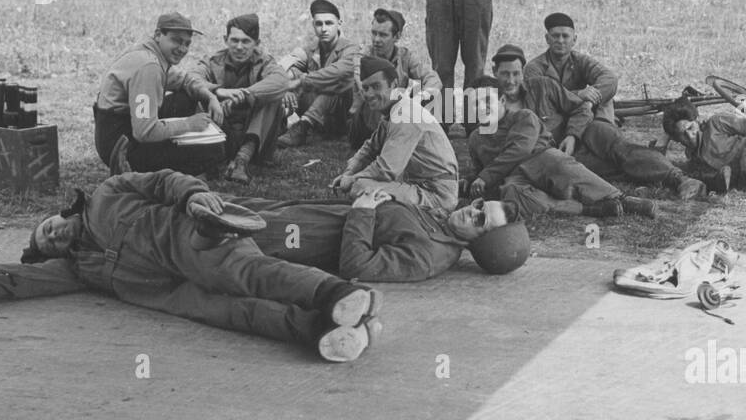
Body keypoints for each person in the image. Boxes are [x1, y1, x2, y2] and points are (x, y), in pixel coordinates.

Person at [0, 170, 385, 362]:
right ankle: (326, 331)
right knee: (238, 313)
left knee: (248, 273)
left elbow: (163, 180)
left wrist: (192, 197)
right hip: (168, 292)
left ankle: (334, 294)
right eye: (46, 243)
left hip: (186, 239)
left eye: (48, 226)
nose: (51, 235)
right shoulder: (78, 267)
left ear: (62, 213)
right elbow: (28, 278)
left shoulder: (108, 193)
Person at [524, 12, 706, 199]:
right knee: (598, 166)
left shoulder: (580, 61)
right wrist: (580, 95)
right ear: (547, 38)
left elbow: (609, 79)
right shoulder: (534, 70)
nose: (560, 41)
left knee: (620, 148)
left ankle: (681, 179)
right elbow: (547, 110)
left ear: (574, 39)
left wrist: (588, 101)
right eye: (555, 36)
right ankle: (679, 178)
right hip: (557, 135)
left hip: (586, 124)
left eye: (565, 36)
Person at [468, 73, 661, 221]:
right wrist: (474, 182)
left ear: (502, 100)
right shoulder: (476, 138)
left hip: (542, 162)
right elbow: (480, 172)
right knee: (511, 194)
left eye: (487, 101)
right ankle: (589, 210)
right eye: (476, 104)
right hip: (514, 177)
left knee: (560, 164)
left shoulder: (524, 116)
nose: (482, 108)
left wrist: (485, 177)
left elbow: (520, 149)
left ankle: (622, 200)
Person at [240, 189, 531, 282]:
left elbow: (357, 266)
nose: (472, 210)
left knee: (213, 222)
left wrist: (363, 212)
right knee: (217, 200)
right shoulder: (443, 221)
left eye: (480, 220)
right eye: (480, 204)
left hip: (300, 237)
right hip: (306, 213)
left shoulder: (428, 256)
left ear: (478, 241)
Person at [93, 11, 226, 176]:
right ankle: (133, 171)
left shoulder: (150, 52)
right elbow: (145, 132)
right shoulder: (149, 67)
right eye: (176, 41)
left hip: (120, 129)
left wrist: (210, 96)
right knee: (214, 150)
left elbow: (185, 80)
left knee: (186, 98)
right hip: (120, 145)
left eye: (187, 43)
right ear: (158, 35)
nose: (182, 49)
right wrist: (189, 124)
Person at [330, 56, 459, 213]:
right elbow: (370, 148)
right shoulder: (394, 109)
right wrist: (349, 172)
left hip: (437, 194)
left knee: (361, 188)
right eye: (365, 88)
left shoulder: (405, 114)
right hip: (419, 184)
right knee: (363, 185)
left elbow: (386, 169)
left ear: (394, 85)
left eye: (376, 87)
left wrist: (353, 179)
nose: (369, 94)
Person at [179, 13, 287, 185]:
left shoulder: (264, 62)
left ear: (257, 44)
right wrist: (218, 92)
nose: (239, 47)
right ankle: (208, 161)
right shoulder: (213, 61)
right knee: (195, 97)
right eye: (234, 40)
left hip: (255, 139)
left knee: (273, 99)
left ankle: (242, 160)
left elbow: (281, 81)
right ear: (225, 39)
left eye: (246, 41)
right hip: (223, 131)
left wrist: (243, 95)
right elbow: (191, 79)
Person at [348, 7, 442, 150]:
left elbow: (432, 78)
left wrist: (420, 98)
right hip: (367, 120)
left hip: (394, 114)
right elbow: (362, 84)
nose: (376, 40)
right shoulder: (363, 55)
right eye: (374, 33)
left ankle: (430, 139)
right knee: (378, 96)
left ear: (397, 36)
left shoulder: (405, 56)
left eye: (383, 35)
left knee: (432, 94)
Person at [276, 0, 360, 148]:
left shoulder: (351, 49)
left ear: (339, 24)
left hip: (342, 117)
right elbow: (281, 67)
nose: (323, 29)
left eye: (329, 23)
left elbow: (339, 72)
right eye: (319, 24)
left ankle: (303, 126)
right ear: (313, 25)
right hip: (319, 118)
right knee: (293, 73)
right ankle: (278, 120)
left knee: (336, 81)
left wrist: (302, 80)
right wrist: (285, 87)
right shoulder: (310, 50)